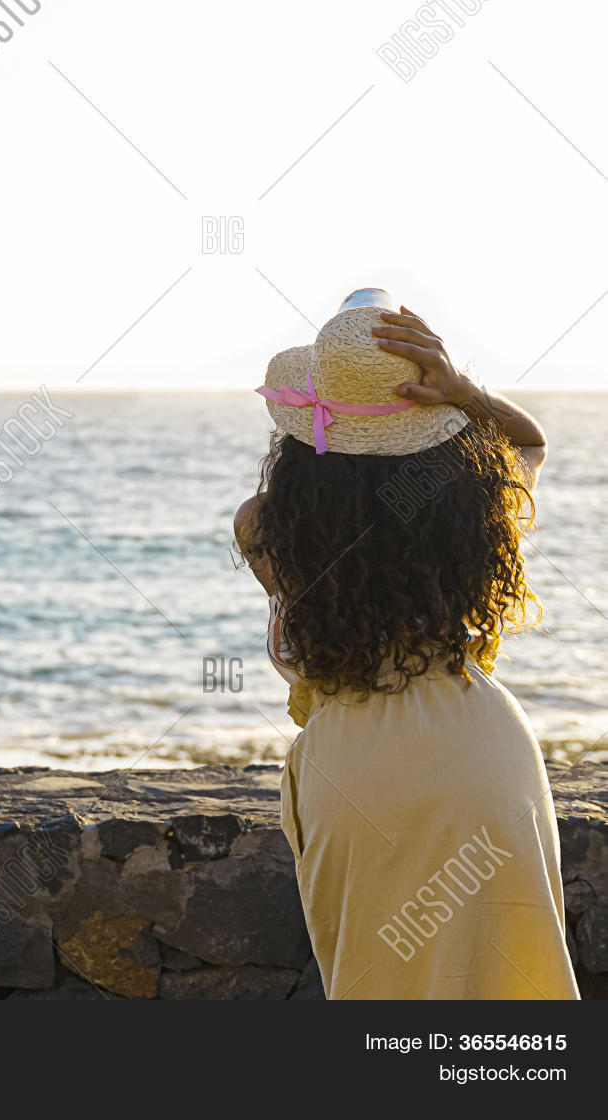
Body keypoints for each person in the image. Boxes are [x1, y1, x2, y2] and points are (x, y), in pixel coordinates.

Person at [234, 289, 578, 999]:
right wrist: (462, 393)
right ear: (426, 414)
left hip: (352, 776)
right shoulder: (475, 498)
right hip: (484, 755)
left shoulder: (265, 526)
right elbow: (530, 443)